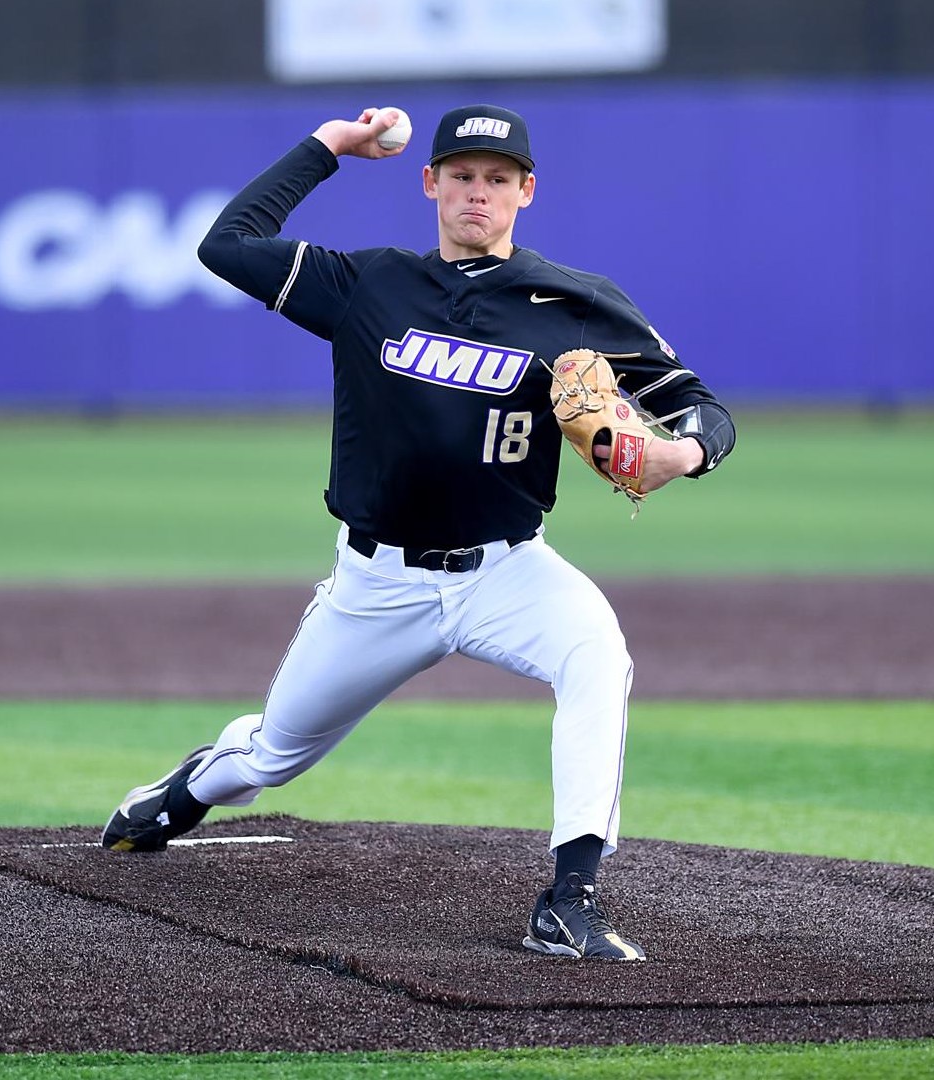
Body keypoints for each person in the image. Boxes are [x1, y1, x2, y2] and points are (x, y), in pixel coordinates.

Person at [102, 104, 736, 961]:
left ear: (527, 193)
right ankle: (190, 789)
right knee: (272, 755)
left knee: (598, 654)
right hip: (379, 581)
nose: (481, 193)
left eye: (499, 179)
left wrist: (684, 454)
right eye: (464, 175)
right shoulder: (370, 284)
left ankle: (570, 893)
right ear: (430, 182)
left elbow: (700, 405)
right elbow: (227, 244)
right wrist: (328, 146)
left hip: (506, 571)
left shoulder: (578, 307)